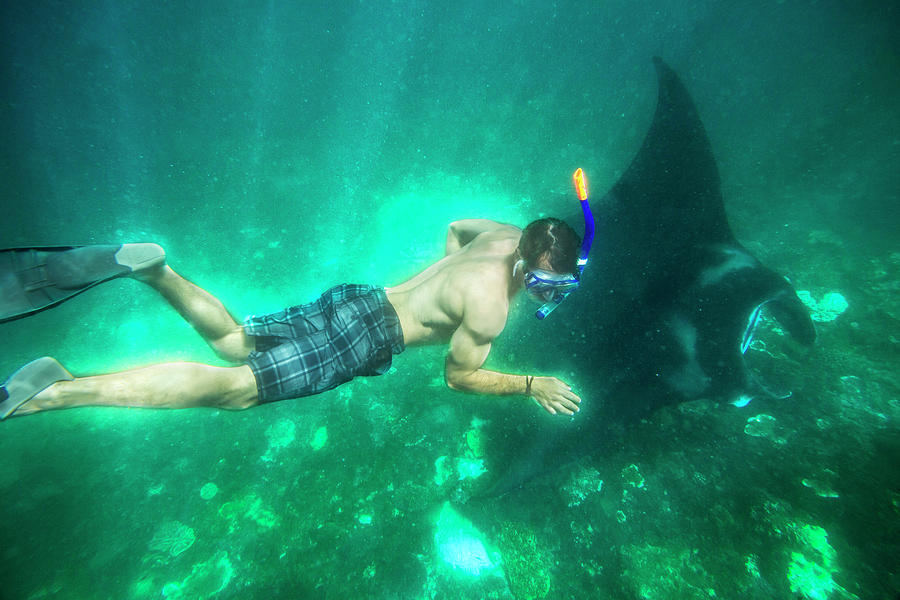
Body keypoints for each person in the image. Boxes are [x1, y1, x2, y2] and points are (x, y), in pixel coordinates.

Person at [0, 218, 583, 419]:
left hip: (358, 297)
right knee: (235, 390)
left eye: (559, 286)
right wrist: (532, 385)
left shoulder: (506, 233)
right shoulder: (491, 309)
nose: (545, 294)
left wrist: (437, 284)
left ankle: (154, 272)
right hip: (370, 337)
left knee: (232, 343)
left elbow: (457, 228)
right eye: (541, 283)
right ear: (528, 262)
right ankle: (53, 393)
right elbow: (458, 379)